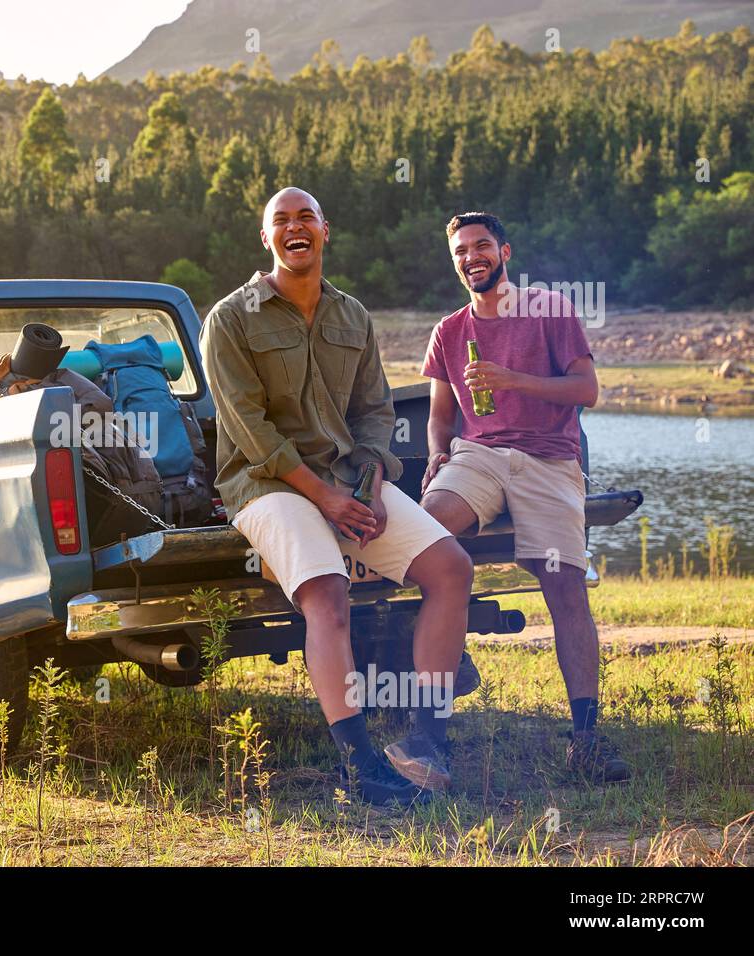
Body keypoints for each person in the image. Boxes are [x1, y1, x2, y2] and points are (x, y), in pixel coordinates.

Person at [199, 187, 474, 803]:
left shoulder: (353, 316)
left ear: (326, 231)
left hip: (350, 477)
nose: (295, 228)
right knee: (328, 594)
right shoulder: (230, 318)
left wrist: (373, 484)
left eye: (306, 218)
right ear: (266, 239)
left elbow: (375, 413)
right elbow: (251, 432)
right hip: (266, 483)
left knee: (451, 567)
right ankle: (361, 768)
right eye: (281, 221)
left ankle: (427, 741)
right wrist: (326, 499)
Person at [419, 211, 630, 783]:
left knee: (565, 587)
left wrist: (513, 380)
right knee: (425, 533)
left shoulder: (550, 310)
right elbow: (440, 418)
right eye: (461, 250)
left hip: (549, 458)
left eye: (482, 246)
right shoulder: (449, 331)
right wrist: (439, 453)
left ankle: (585, 739)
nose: (471, 257)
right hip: (479, 456)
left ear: (504, 252)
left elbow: (587, 390)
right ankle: (434, 718)